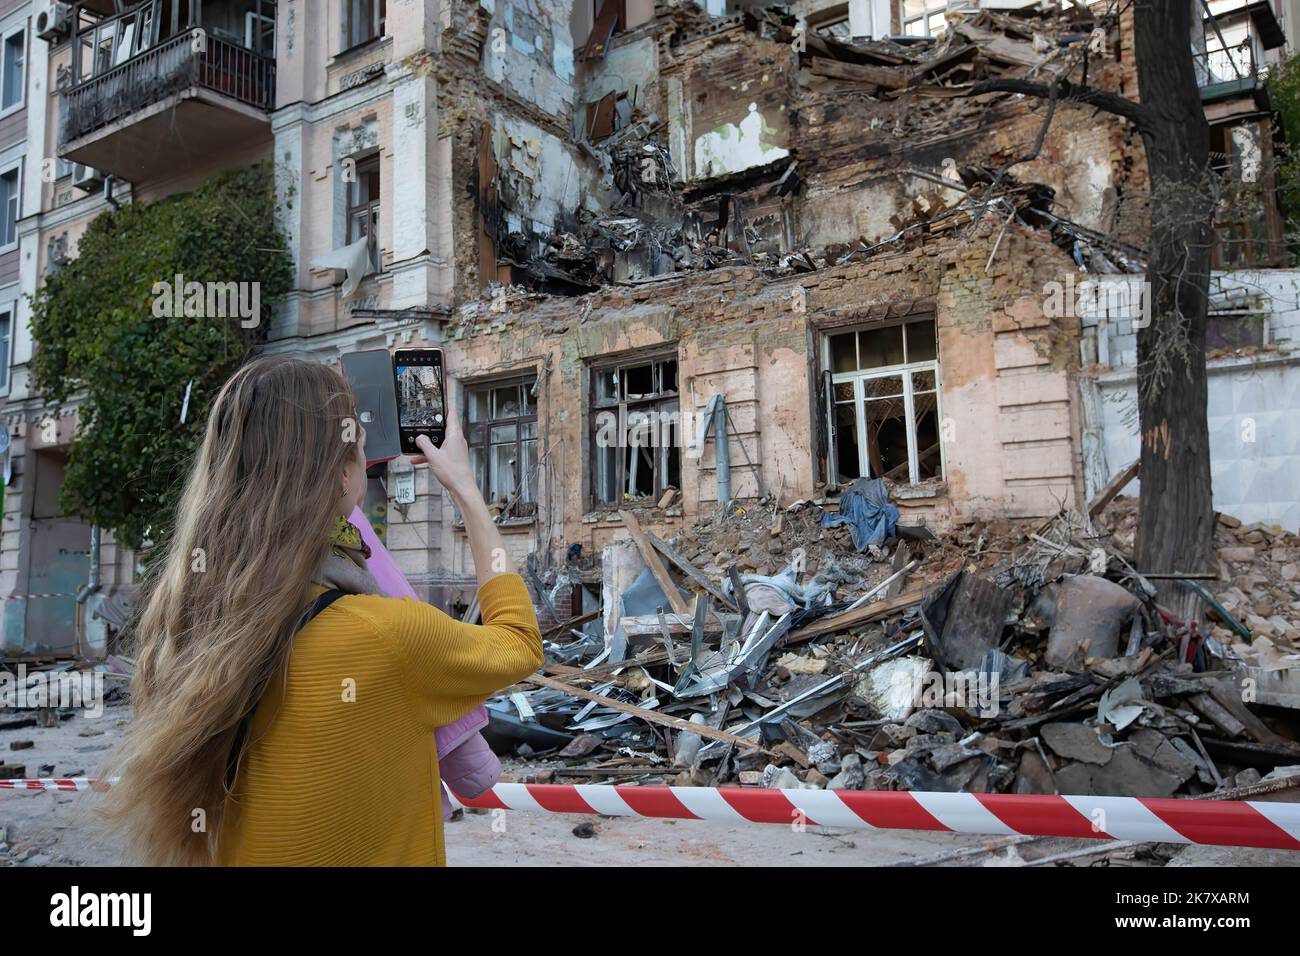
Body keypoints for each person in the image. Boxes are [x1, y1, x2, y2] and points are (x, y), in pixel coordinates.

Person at [98, 357, 542, 865]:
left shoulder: (196, 628)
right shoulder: (387, 635)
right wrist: (465, 489)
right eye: (358, 449)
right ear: (340, 475)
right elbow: (519, 641)